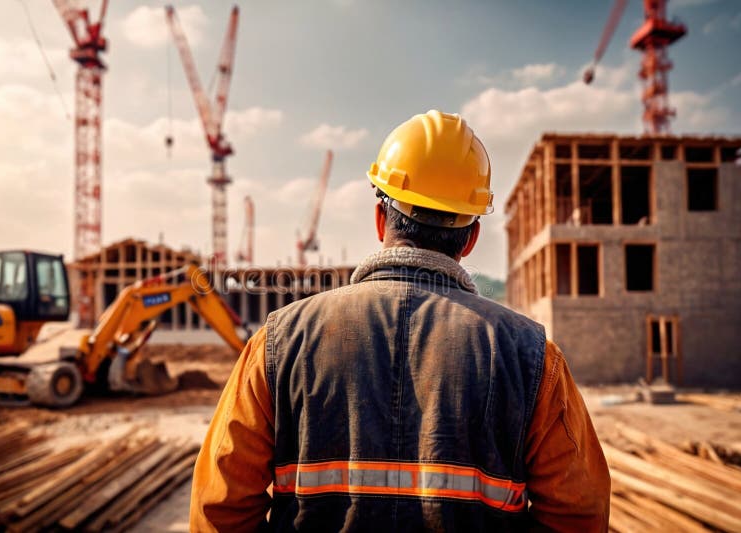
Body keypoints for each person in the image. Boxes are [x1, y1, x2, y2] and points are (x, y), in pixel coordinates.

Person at [190, 110, 610, 532]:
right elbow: (578, 514)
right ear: (471, 238)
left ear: (379, 220)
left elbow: (219, 509)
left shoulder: (281, 342)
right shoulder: (531, 357)